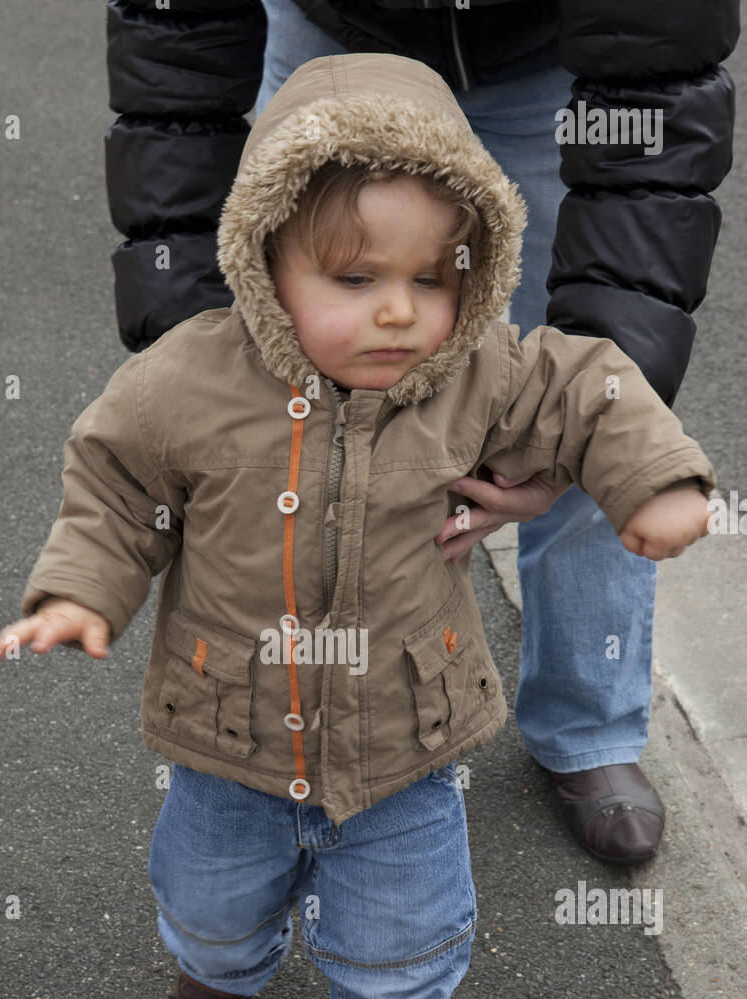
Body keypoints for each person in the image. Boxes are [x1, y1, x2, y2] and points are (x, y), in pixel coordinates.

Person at [0, 53, 714, 999]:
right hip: (228, 729)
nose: (395, 310)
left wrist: (652, 481)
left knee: (404, 929)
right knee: (210, 899)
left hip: (401, 738)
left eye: (431, 279)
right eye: (354, 276)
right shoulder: (187, 378)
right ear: (264, 258)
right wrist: (80, 591)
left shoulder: (472, 370)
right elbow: (118, 491)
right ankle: (219, 971)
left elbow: (590, 387)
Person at [104, 0, 738, 862]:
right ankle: (281, 733)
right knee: (291, 388)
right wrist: (194, 367)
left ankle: (589, 724)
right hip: (335, 43)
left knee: (589, 390)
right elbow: (174, 63)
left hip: (560, 61)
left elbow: (654, 111)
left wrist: (594, 438)